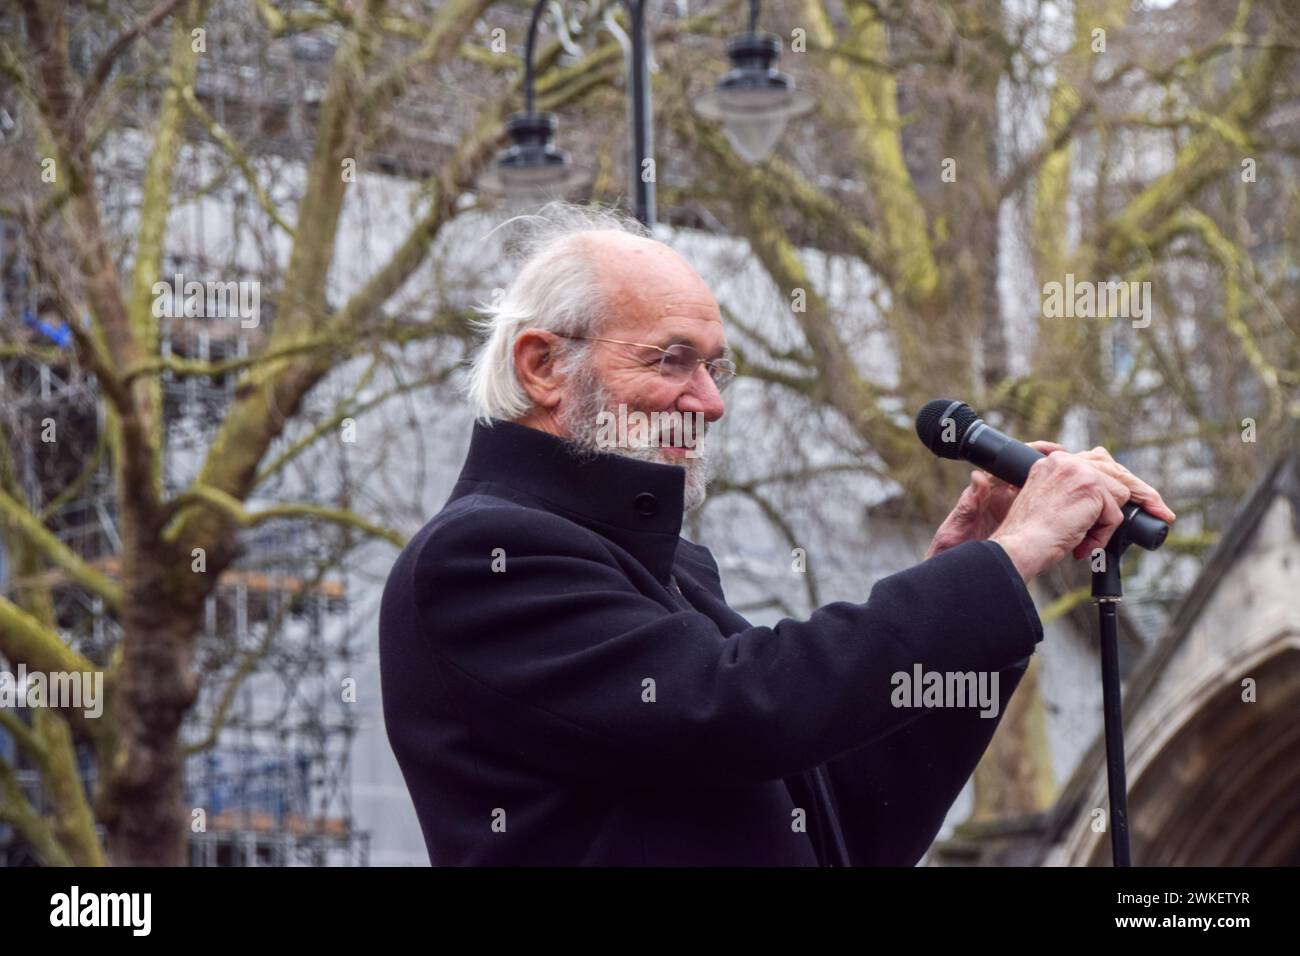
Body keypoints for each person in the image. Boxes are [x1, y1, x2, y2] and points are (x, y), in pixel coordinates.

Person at [379, 204, 1175, 866]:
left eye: (714, 368)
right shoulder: (482, 560)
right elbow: (740, 708)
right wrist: (1007, 557)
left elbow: (851, 823)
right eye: (671, 360)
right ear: (543, 364)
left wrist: (976, 574)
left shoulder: (671, 572)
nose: (709, 401)